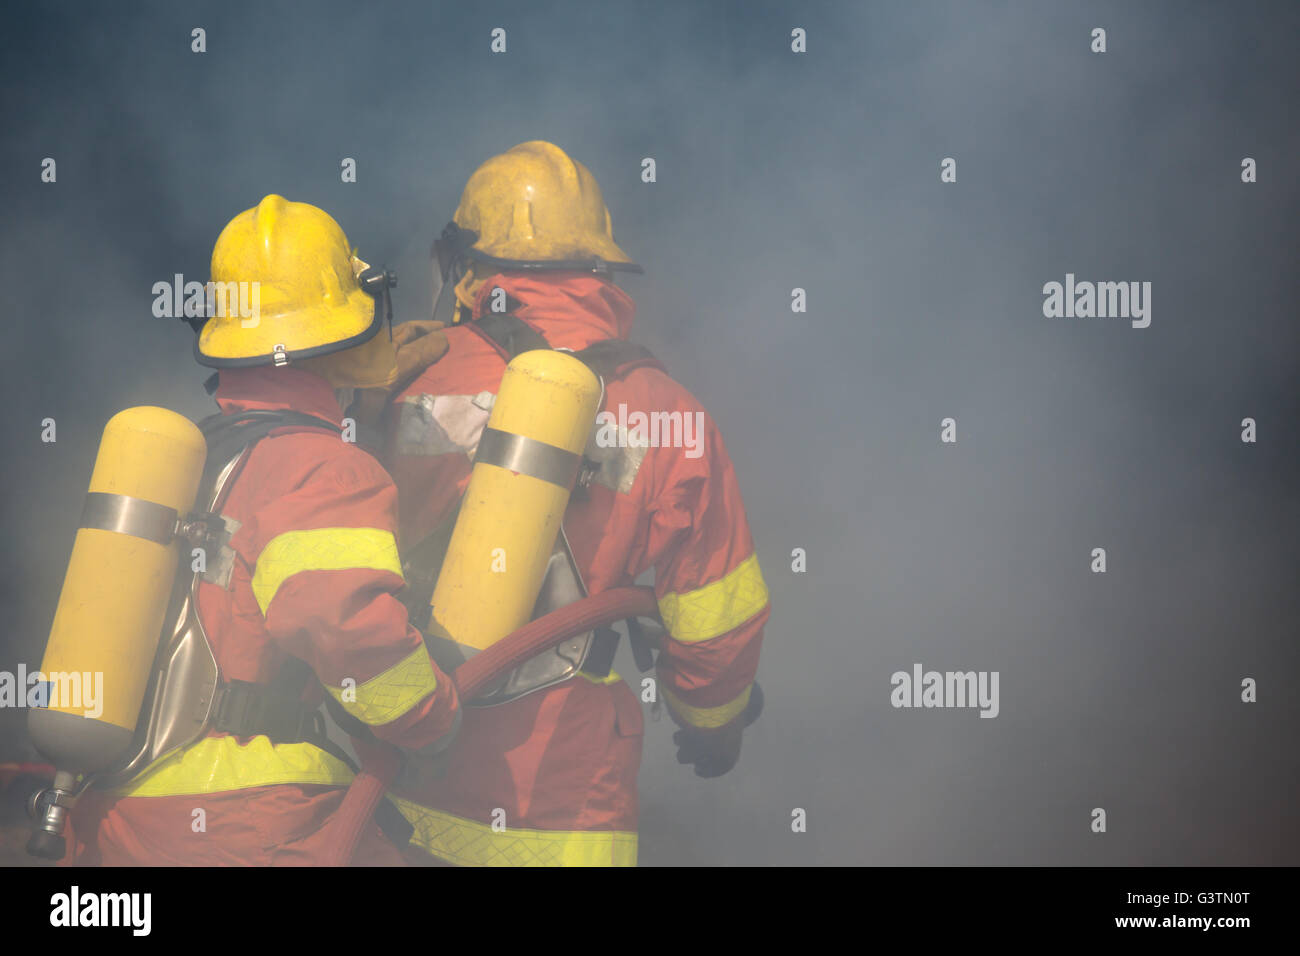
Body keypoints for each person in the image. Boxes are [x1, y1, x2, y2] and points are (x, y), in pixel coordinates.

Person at [385, 142, 769, 866]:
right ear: (598, 270)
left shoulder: (408, 376)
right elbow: (716, 615)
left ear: (470, 264)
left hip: (403, 784)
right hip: (561, 811)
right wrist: (712, 718)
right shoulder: (668, 413)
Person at [65, 195, 460, 865]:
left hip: (118, 818)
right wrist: (434, 714)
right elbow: (342, 628)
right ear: (343, 327)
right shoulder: (324, 469)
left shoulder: (196, 453)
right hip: (247, 828)